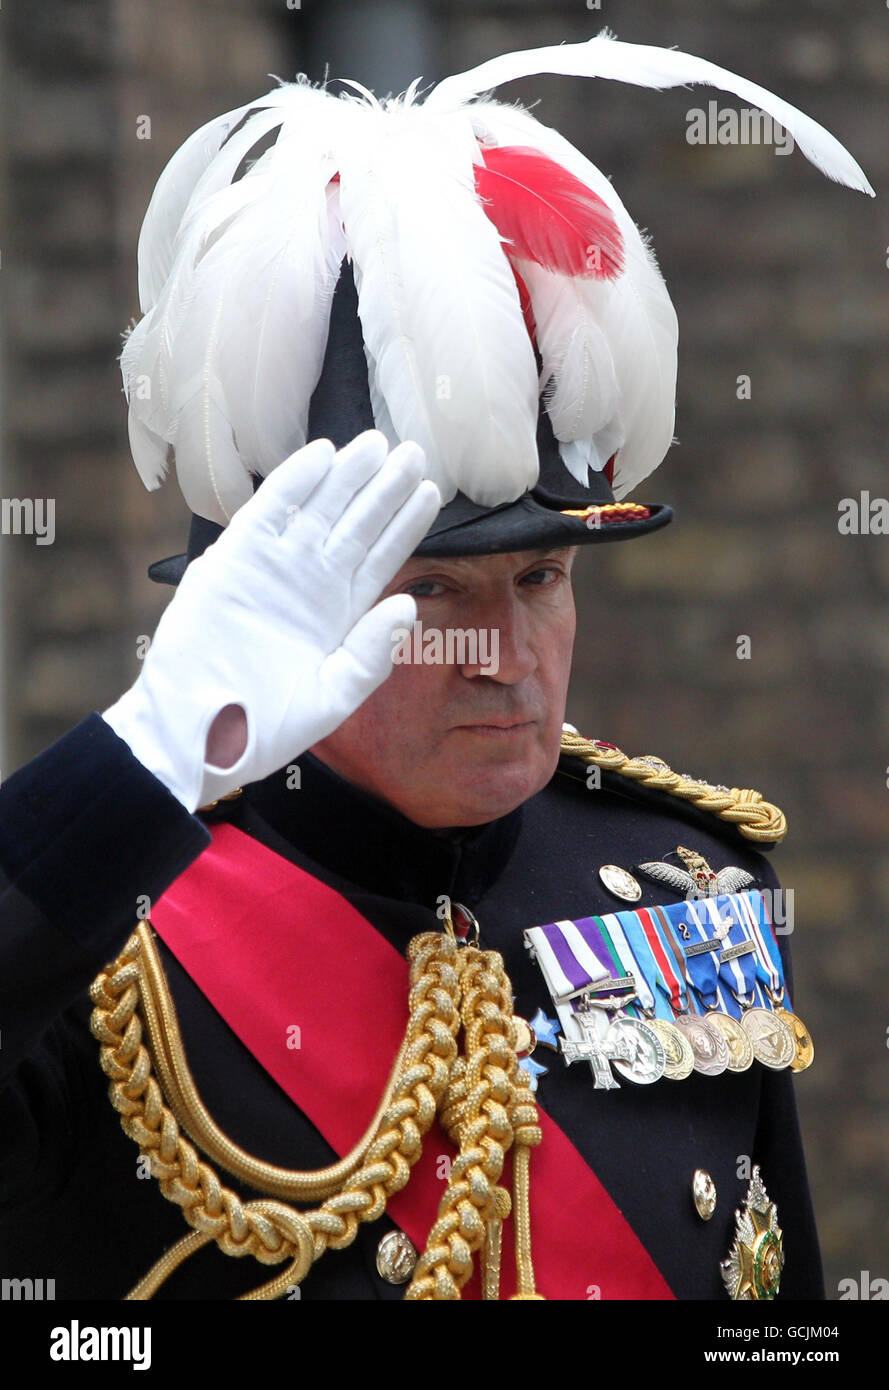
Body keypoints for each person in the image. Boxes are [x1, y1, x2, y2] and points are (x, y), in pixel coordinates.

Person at [0, 32, 872, 1302]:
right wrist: (148, 751)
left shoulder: (690, 892)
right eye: (429, 592)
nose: (508, 658)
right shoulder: (110, 940)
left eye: (542, 579)